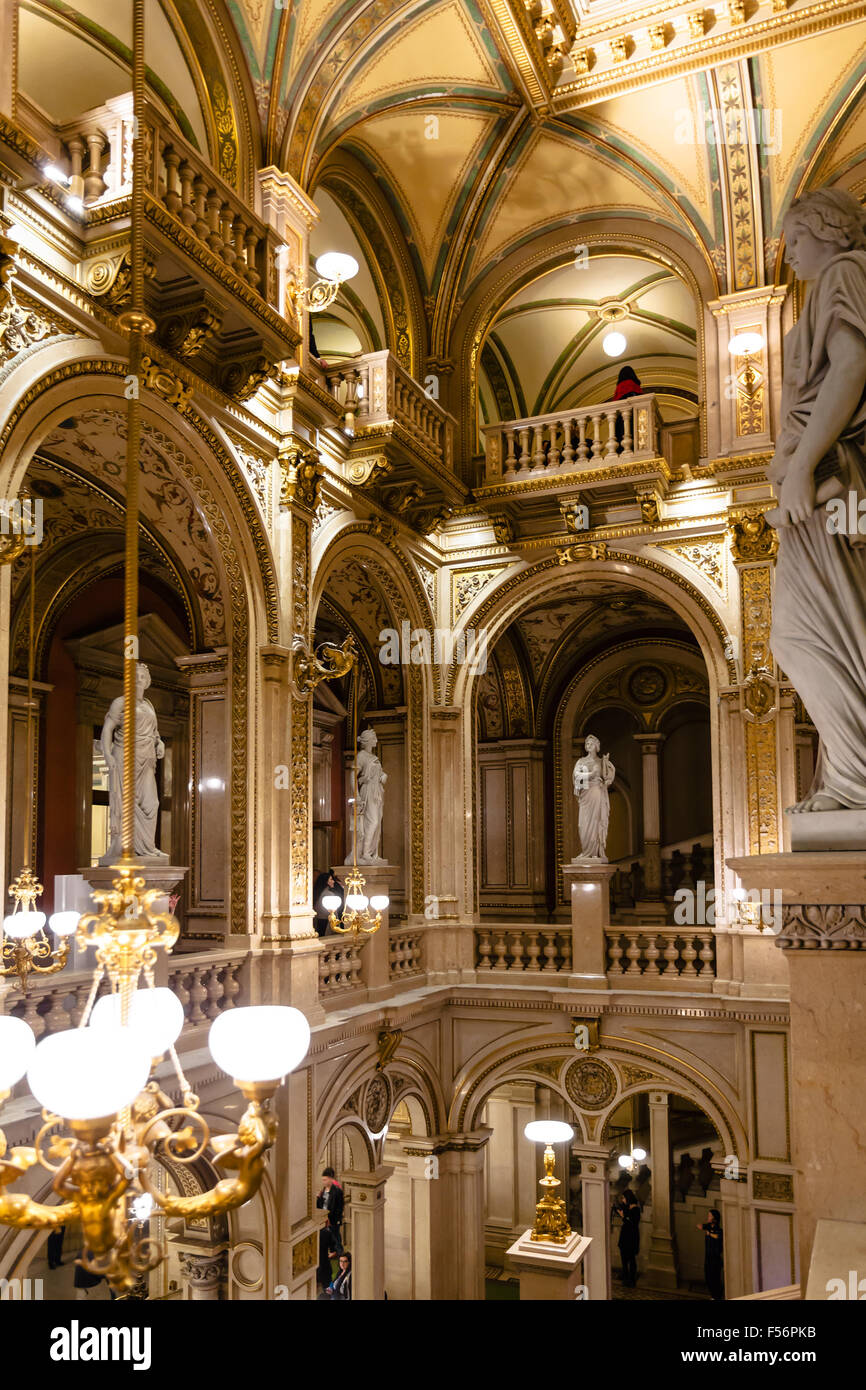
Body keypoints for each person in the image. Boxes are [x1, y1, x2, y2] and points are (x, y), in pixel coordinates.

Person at [766, 188, 866, 813]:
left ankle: (856, 778)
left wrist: (801, 465)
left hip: (828, 479)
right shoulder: (831, 281)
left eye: (795, 239)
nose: (792, 253)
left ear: (827, 230)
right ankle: (846, 776)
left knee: (802, 634)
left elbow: (852, 367)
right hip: (818, 486)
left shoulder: (844, 272)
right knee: (831, 626)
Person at [316, 1167, 344, 1287]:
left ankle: (339, 1256)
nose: (324, 1182)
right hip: (324, 1218)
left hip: (332, 1219)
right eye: (323, 1179)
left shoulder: (337, 1191)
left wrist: (334, 1220)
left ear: (331, 1179)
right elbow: (319, 1206)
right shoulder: (323, 1191)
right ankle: (335, 1253)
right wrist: (318, 1198)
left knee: (336, 1237)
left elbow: (339, 1207)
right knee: (329, 1237)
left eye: (325, 1179)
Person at [615, 1187, 642, 1287]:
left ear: (628, 1198)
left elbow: (632, 1223)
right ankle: (625, 1276)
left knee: (631, 1259)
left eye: (624, 1198)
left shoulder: (636, 1210)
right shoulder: (627, 1207)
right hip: (625, 1236)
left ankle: (631, 1279)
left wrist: (623, 1216)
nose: (623, 1200)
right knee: (624, 1258)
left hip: (631, 1237)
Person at [698, 1209, 724, 1300]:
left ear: (715, 1219)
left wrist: (709, 1234)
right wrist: (707, 1229)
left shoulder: (718, 1230)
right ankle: (713, 1295)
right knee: (708, 1277)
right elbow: (701, 1226)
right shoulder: (708, 1227)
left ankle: (717, 1296)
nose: (708, 1217)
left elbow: (717, 1236)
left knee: (715, 1279)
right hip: (708, 1258)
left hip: (715, 1259)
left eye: (710, 1216)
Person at [313, 869, 344, 936]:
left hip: (318, 922)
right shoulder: (329, 895)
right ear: (325, 881)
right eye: (331, 879)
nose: (333, 881)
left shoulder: (318, 893)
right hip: (327, 923)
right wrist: (337, 926)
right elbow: (334, 914)